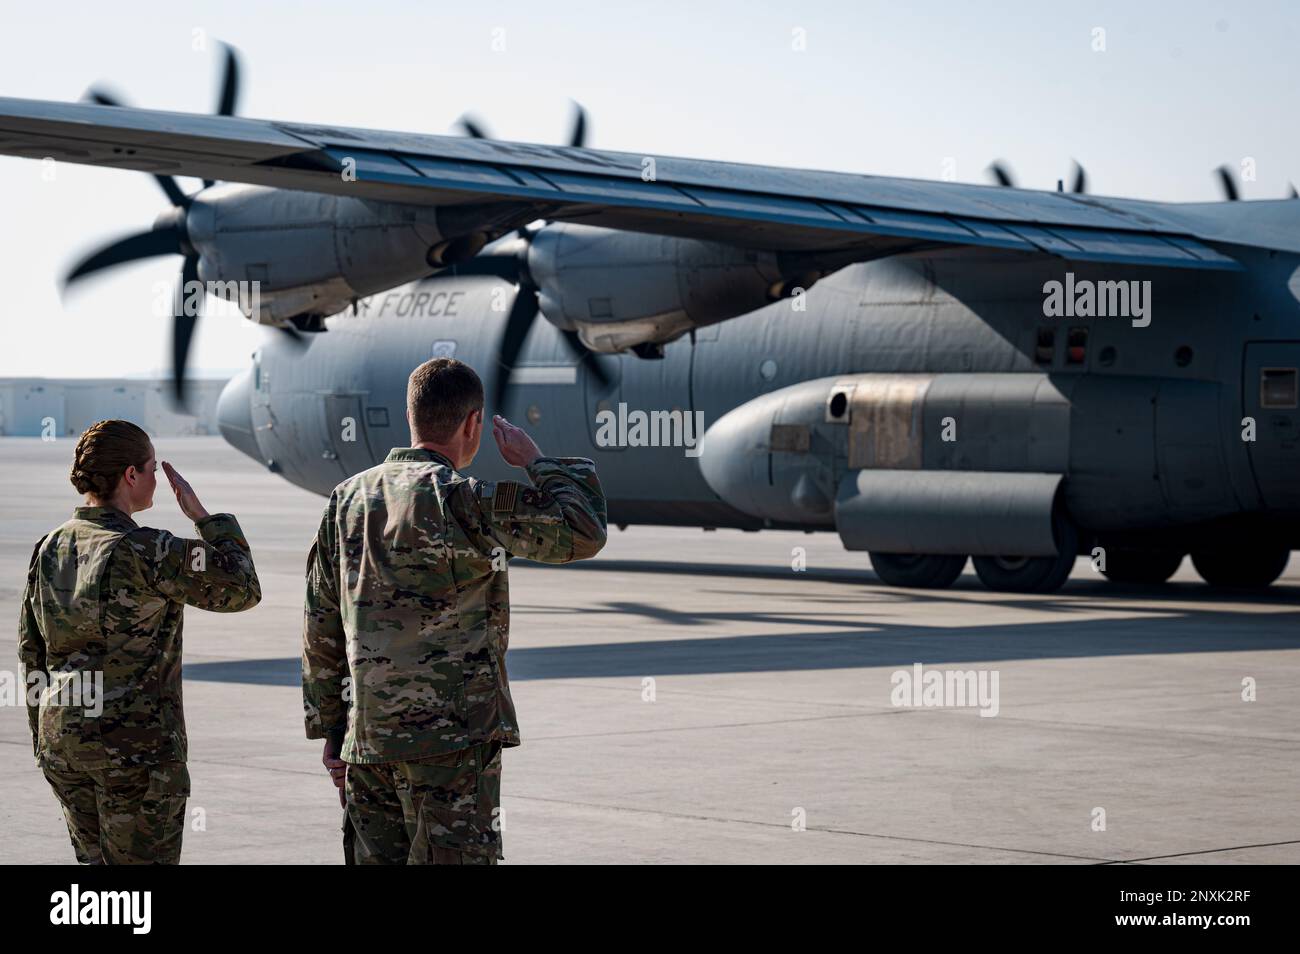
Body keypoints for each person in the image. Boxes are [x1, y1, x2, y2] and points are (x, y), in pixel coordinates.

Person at [302, 357, 607, 864]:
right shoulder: (466, 501)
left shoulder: (346, 501)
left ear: (412, 417)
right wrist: (537, 462)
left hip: (369, 740)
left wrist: (333, 731)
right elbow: (583, 531)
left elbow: (320, 625)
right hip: (452, 746)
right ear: (472, 424)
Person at [18, 419, 261, 864]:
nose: (156, 478)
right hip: (135, 751)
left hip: (64, 742)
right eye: (151, 468)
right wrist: (205, 519)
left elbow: (32, 651)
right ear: (130, 475)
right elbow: (242, 588)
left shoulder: (50, 546)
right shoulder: (151, 550)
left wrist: (43, 735)